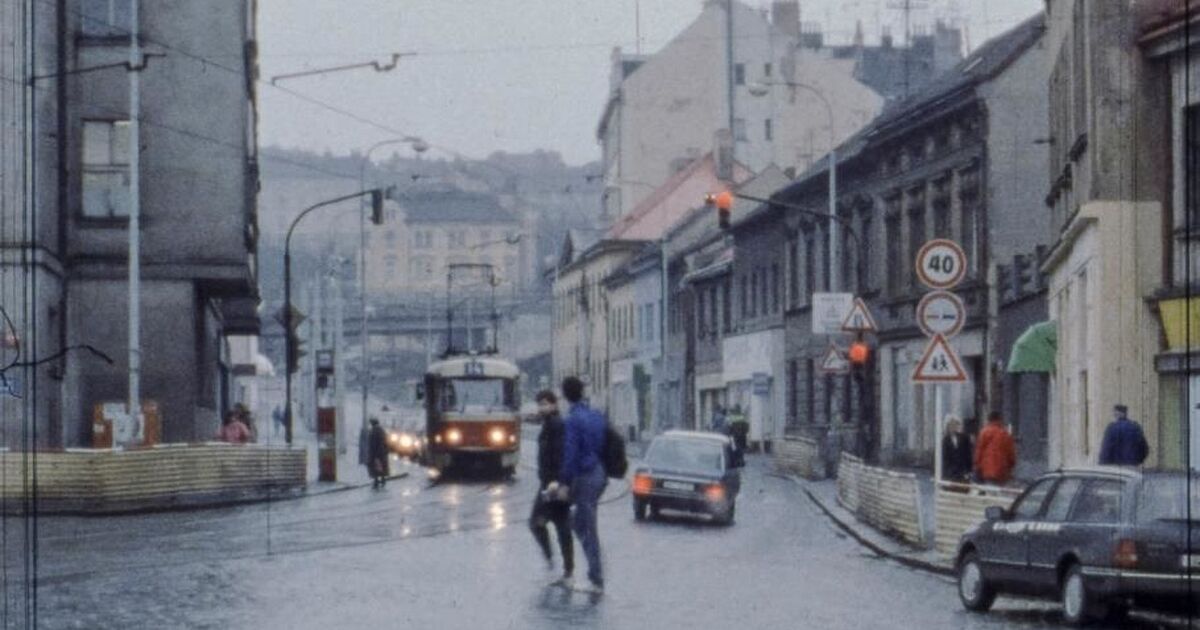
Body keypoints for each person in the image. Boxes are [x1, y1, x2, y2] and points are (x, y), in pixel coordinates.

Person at [557, 376, 608, 594]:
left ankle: (596, 577)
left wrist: (564, 482)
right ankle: (595, 566)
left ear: (566, 395)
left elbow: (571, 454)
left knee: (585, 527)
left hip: (584, 475)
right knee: (583, 523)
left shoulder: (572, 420)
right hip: (599, 473)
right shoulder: (595, 416)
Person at [529, 390, 574, 585]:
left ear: (554, 405)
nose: (542, 407)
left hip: (554, 483)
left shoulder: (556, 425)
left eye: (545, 403)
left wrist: (558, 480)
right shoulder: (549, 425)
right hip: (549, 483)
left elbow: (561, 454)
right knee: (559, 523)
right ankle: (565, 569)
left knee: (540, 522)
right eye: (539, 404)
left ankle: (557, 565)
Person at [974, 412, 1017, 485]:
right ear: (999, 419)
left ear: (989, 420)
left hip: (987, 469)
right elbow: (1011, 453)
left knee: (990, 492)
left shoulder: (984, 432)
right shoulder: (1005, 433)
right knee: (1000, 492)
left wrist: (977, 466)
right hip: (1002, 470)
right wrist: (1010, 465)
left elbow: (979, 451)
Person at [940, 415, 973, 483]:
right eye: (951, 425)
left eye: (955, 424)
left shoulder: (964, 438)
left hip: (962, 472)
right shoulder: (945, 440)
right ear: (948, 426)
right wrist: (946, 472)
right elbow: (944, 457)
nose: (953, 427)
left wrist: (969, 470)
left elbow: (968, 455)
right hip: (950, 473)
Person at [366, 418, 390, 488]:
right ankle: (383, 479)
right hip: (382, 453)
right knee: (381, 467)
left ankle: (376, 481)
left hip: (376, 453)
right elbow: (385, 443)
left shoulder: (374, 431)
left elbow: (374, 444)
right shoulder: (382, 430)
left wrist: (373, 454)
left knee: (375, 467)